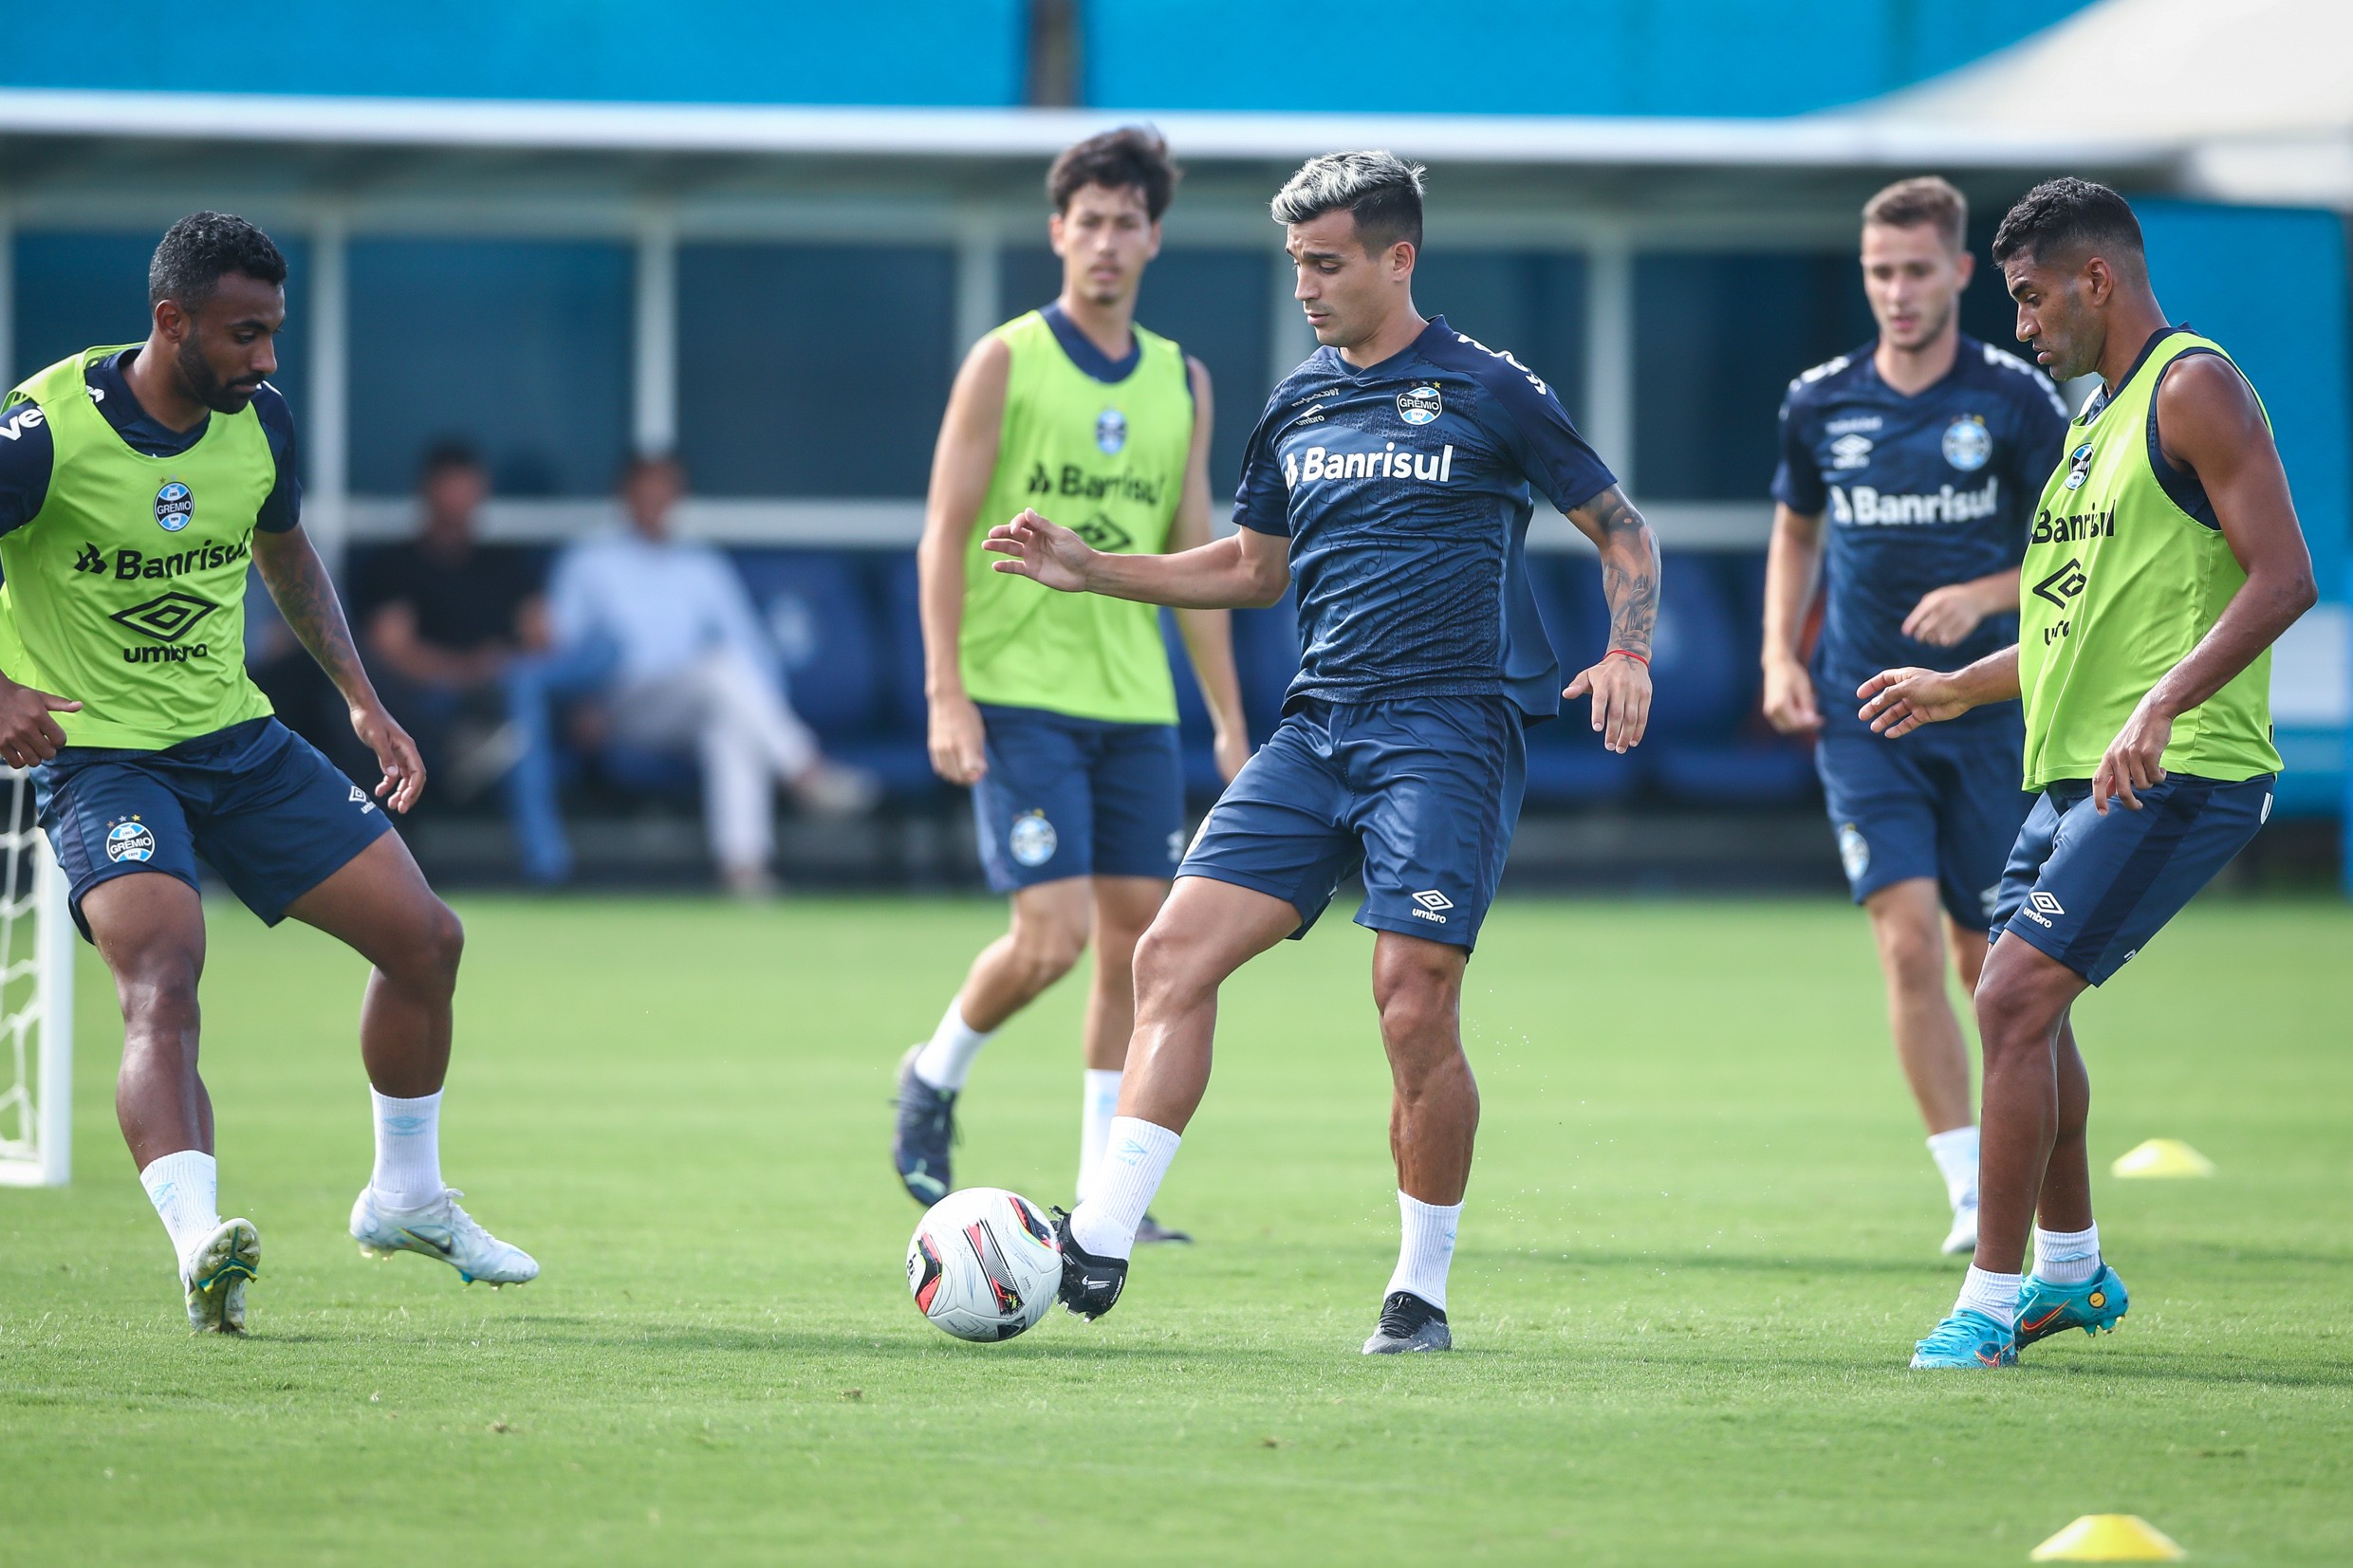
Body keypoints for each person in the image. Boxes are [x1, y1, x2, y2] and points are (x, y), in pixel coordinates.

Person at [986, 152, 1659, 1354]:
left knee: (1410, 1006)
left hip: (1449, 728)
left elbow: (1619, 528)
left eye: (1327, 262)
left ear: (1398, 260)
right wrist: (1097, 570)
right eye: (1295, 260)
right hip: (1318, 727)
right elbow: (1250, 567)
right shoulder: (1297, 399)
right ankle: (1097, 1241)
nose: (1304, 283)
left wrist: (1626, 651)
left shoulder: (1488, 387)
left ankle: (1419, 1289)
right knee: (1169, 957)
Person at [0, 212, 536, 1335]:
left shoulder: (261, 420)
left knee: (426, 940)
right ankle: (200, 1242)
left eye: (274, 334)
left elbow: (284, 552)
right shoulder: (41, 431)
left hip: (236, 742)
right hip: (103, 758)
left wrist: (360, 697)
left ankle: (406, 1196)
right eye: (245, 335)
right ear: (171, 321)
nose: (266, 359)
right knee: (165, 973)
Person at [1859, 178, 2316, 1369]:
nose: (2021, 325)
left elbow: (2282, 579)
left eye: (2027, 297)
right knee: (2022, 1005)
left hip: (2184, 768)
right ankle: (2070, 1271)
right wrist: (1959, 685)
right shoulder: (2091, 425)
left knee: (2009, 997)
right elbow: (2080, 624)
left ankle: (1990, 1298)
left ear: (2094, 280)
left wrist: (2164, 702)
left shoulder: (2190, 387)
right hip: (2075, 774)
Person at [893, 127, 1249, 1232]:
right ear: (1057, 233)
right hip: (1016, 689)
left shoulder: (1181, 379)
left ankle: (1105, 1197)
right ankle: (933, 1074)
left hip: (1132, 706)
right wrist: (946, 692)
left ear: (1153, 239)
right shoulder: (1006, 360)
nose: (1104, 241)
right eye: (1085, 222)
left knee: (1136, 955)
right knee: (1047, 937)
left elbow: (1199, 557)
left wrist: (1229, 720)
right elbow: (942, 535)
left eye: (1124, 223)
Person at [1762, 176, 2070, 1257]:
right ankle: (1963, 1188)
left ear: (1955, 274)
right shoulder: (1819, 400)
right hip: (1865, 713)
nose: (1895, 292)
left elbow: (2070, 548)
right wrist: (1775, 652)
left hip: (1987, 714)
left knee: (1984, 959)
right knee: (1901, 947)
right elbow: (1796, 531)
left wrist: (1986, 598)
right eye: (1878, 273)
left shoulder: (2014, 401)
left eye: (1914, 271)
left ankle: (2025, 1168)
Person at [527, 453, 874, 895]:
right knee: (719, 673)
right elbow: (561, 649)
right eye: (644, 489)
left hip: (689, 705)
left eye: (664, 490)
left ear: (677, 497)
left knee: (728, 718)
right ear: (624, 494)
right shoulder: (589, 559)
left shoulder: (701, 563)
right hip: (619, 706)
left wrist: (766, 713)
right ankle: (804, 768)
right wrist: (575, 706)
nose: (654, 500)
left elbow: (751, 649)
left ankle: (744, 870)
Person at [355, 442, 547, 801]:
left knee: (530, 694)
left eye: (467, 486)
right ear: (427, 490)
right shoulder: (395, 566)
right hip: (427, 696)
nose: (459, 497)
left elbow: (542, 639)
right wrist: (464, 670)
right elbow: (390, 651)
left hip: (498, 690)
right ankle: (459, 750)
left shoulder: (505, 564)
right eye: (450, 485)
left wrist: (499, 664)